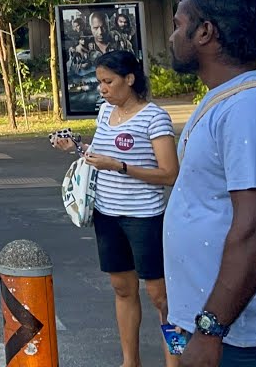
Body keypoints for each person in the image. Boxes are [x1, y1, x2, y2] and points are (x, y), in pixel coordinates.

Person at [162, 0, 256, 367]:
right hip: (207, 326)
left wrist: (211, 329)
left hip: (240, 338)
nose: (172, 36)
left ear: (205, 32)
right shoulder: (223, 100)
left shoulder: (249, 107)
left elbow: (255, 227)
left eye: (179, 24)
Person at [52, 50, 180, 367]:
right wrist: (77, 149)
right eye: (100, 83)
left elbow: (170, 174)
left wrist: (120, 166)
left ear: (130, 79)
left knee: (161, 297)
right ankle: (129, 361)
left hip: (144, 218)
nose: (103, 89)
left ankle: (177, 360)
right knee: (122, 289)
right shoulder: (104, 113)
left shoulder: (154, 117)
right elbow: (99, 154)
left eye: (108, 82)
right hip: (107, 216)